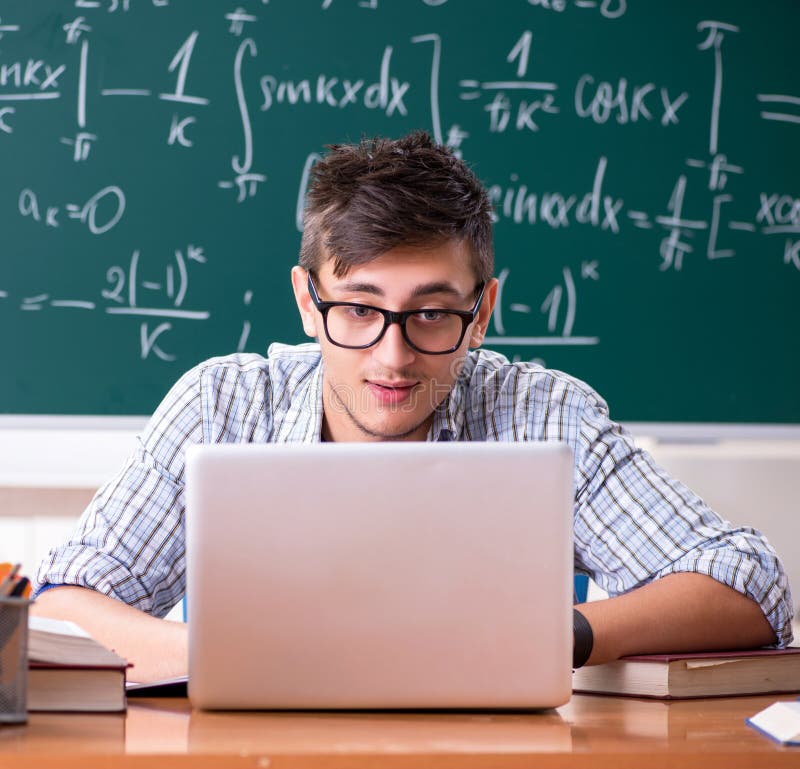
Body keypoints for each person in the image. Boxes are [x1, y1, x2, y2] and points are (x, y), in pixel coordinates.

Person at [33, 131, 793, 684]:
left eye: (431, 313)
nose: (392, 357)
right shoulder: (222, 405)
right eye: (359, 310)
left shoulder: (547, 414)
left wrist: (555, 634)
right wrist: (241, 658)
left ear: (482, 311)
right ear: (307, 301)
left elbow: (749, 583)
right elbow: (61, 605)